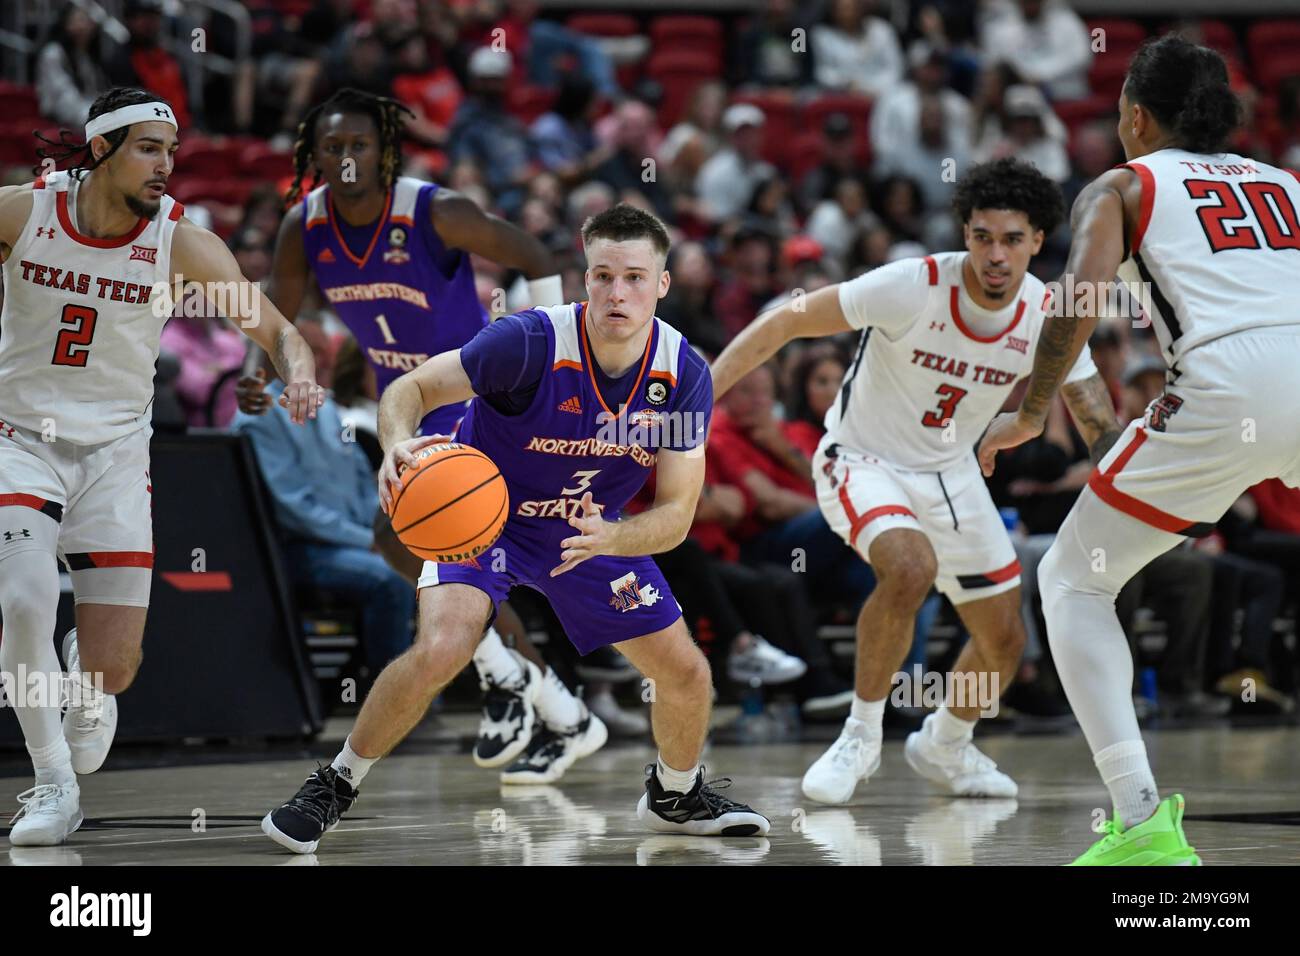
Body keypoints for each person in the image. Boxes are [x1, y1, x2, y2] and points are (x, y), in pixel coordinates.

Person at [262, 204, 770, 853]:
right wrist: (396, 445)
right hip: (482, 518)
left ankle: (675, 793)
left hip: (587, 531)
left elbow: (676, 514)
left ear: (663, 285)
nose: (618, 292)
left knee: (687, 674)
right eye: (604, 275)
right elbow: (410, 390)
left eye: (636, 278)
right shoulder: (528, 343)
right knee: (443, 648)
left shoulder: (682, 375)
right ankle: (336, 782)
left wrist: (616, 538)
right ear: (583, 277)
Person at [978, 35, 1300, 865]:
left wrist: (1031, 406)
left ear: (1134, 116)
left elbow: (1078, 297)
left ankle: (1141, 823)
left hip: (1228, 384)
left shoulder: (1125, 182)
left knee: (1073, 581)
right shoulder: (1284, 183)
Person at [712, 158, 1122, 806]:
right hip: (863, 458)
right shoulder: (912, 284)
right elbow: (787, 318)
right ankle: (859, 735)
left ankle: (946, 743)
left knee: (1005, 636)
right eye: (983, 236)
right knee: (909, 568)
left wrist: (1135, 482)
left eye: (1012, 240)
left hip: (952, 472)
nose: (995, 254)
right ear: (964, 232)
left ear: (1038, 242)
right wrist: (698, 393)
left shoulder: (1049, 312)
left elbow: (1095, 409)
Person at [234, 86, 594, 784]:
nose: (344, 159)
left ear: (384, 151)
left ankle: (508, 683)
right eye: (331, 147)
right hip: (408, 404)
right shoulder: (303, 225)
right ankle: (553, 706)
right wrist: (260, 370)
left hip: (474, 396)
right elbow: (277, 310)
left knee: (418, 542)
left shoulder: (435, 212)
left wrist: (550, 357)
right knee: (415, 551)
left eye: (358, 145)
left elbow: (533, 253)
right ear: (314, 155)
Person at [0, 87, 324, 846]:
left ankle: (87, 672)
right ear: (103, 148)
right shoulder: (24, 213)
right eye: (150, 148)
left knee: (115, 669)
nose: (166, 167)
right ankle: (51, 784)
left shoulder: (181, 243)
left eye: (172, 153)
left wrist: (297, 372)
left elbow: (277, 329)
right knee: (21, 599)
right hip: (19, 438)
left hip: (115, 452)